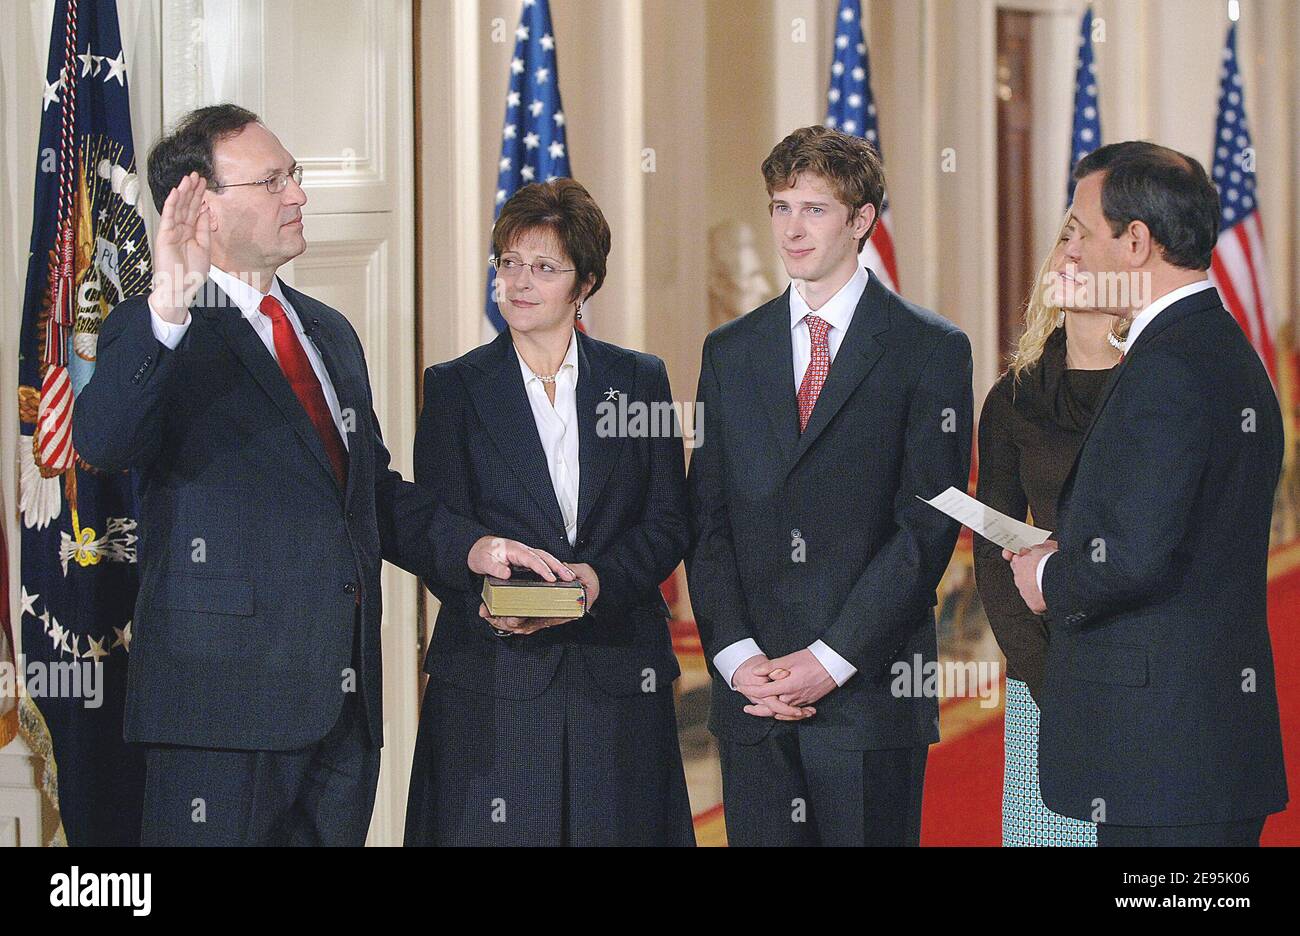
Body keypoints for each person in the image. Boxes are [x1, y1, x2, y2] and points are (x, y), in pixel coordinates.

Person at [73, 104, 567, 846]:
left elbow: (366, 495)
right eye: (272, 181)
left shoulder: (328, 331)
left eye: (294, 175)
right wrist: (170, 301)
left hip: (343, 709)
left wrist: (473, 549)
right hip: (222, 715)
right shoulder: (161, 329)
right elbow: (104, 441)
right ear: (202, 206)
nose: (298, 194)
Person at [686, 126, 973, 846]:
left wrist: (830, 659)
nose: (792, 229)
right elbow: (707, 521)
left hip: (868, 695)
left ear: (861, 220)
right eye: (781, 207)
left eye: (814, 209)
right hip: (753, 698)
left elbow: (927, 527)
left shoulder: (930, 349)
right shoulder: (728, 352)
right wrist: (737, 658)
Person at [1007, 141, 1288, 846]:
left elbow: (1134, 557)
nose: (1068, 253)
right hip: (1189, 751)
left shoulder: (1168, 369)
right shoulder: (1207, 347)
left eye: (1079, 230)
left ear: (1135, 242)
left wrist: (1045, 575)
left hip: (1166, 758)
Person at [404, 179, 695, 846]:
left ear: (584, 283)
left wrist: (597, 581)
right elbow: (440, 533)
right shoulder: (453, 388)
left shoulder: (639, 380)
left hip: (617, 677)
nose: (519, 282)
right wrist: (490, 598)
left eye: (544, 267)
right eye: (508, 262)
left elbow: (668, 522)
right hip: (492, 682)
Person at [973, 217, 1124, 846]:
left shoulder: (1158, 387)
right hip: (1045, 665)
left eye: (1091, 240)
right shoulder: (1013, 397)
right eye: (1066, 237)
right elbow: (991, 548)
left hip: (1141, 663)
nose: (1072, 253)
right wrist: (1047, 678)